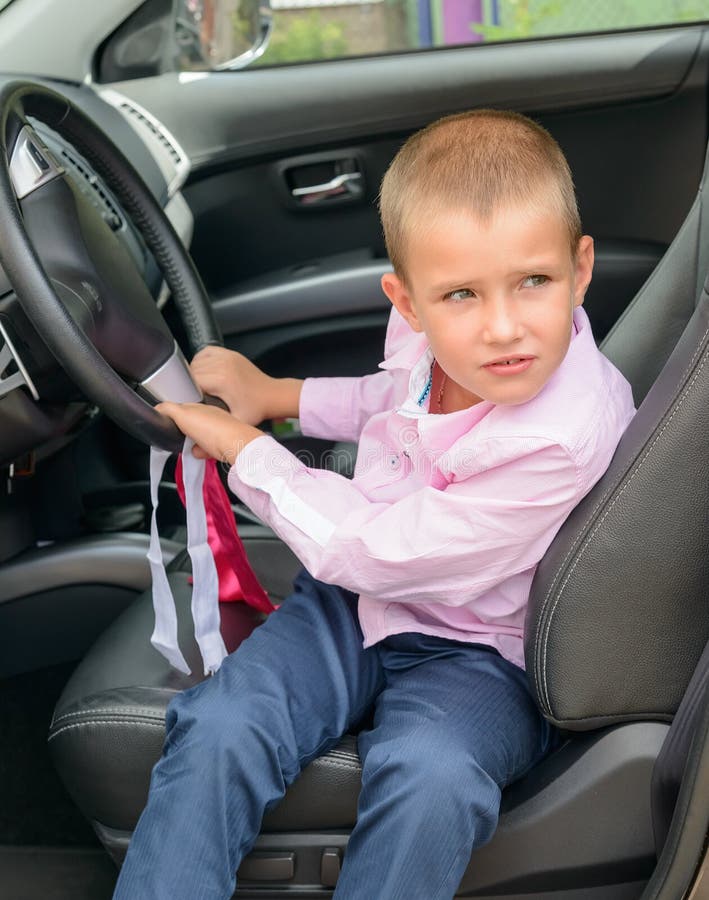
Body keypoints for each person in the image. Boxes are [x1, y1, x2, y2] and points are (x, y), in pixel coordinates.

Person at [113, 109, 636, 900]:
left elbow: (369, 550)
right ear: (409, 304)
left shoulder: (557, 438)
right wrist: (278, 396)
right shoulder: (435, 342)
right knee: (221, 726)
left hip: (481, 650)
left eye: (534, 281)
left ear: (580, 267)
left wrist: (248, 450)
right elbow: (395, 398)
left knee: (431, 776)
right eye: (461, 295)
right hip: (354, 605)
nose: (502, 328)